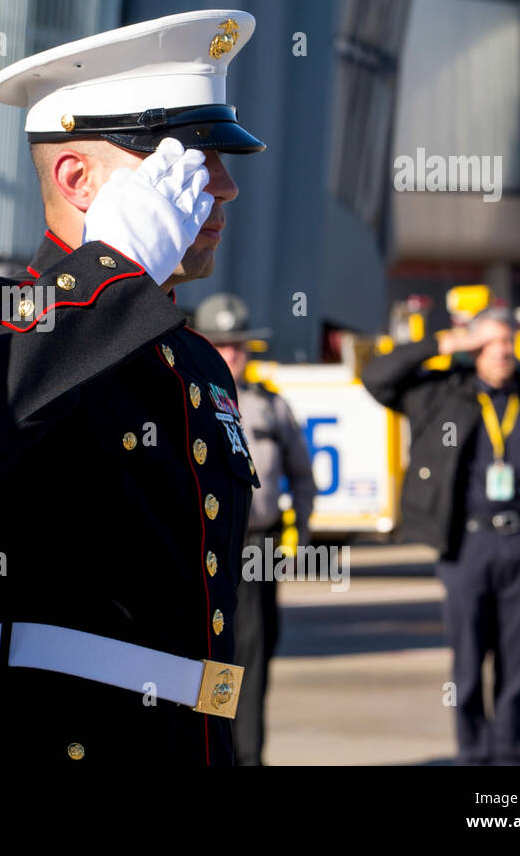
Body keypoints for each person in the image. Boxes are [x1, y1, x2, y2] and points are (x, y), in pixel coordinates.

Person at [0, 11, 267, 765]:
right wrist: (112, 264)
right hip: (50, 741)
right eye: (189, 163)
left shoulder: (194, 360)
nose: (224, 187)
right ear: (77, 177)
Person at [361, 305, 520, 765]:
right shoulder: (442, 395)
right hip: (466, 546)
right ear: (471, 347)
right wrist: (440, 344)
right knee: (467, 664)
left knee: (518, 666)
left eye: (508, 343)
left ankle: (509, 755)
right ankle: (474, 756)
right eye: (490, 343)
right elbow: (377, 377)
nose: (501, 352)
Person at [194, 293, 315, 766]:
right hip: (205, 548)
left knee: (254, 656)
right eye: (221, 345)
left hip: (257, 547)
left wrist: (299, 536)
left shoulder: (271, 405)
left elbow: (302, 476)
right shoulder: (191, 398)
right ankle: (211, 752)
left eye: (238, 345)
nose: (231, 355)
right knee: (210, 659)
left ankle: (248, 757)